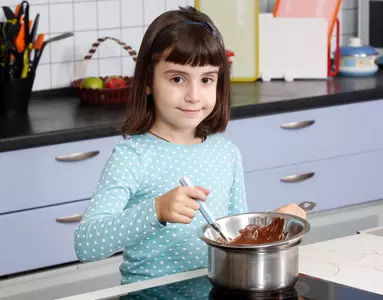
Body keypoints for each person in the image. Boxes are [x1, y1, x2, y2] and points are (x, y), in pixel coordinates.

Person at [74, 6, 306, 285]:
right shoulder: (133, 156)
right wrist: (156, 210)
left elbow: (233, 239)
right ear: (148, 81)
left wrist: (272, 226)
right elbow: (86, 245)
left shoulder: (226, 153)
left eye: (207, 79)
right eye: (177, 79)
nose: (194, 96)